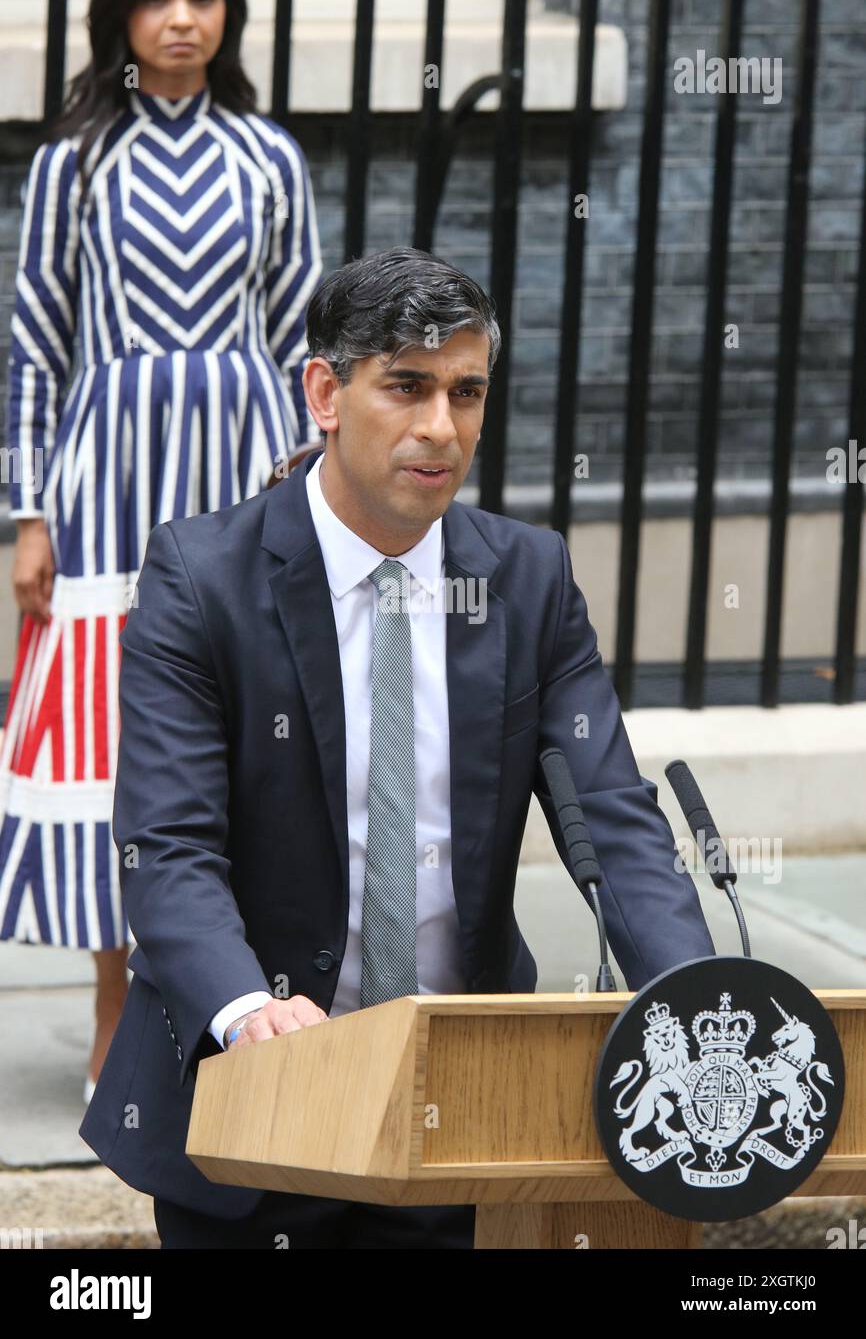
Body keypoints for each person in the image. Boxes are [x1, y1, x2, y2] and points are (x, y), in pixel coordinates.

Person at [79, 245, 716, 1248]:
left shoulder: (529, 579)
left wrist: (696, 999)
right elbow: (168, 849)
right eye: (407, 387)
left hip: (464, 1120)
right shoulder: (199, 578)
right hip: (256, 1110)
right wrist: (251, 1010)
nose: (439, 427)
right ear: (325, 392)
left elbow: (616, 821)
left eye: (465, 393)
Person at [0, 0, 322, 1104]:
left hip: (239, 459)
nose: (180, 19)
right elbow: (35, 339)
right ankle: (113, 1003)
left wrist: (306, 489)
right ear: (120, 15)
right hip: (106, 471)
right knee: (107, 733)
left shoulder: (269, 156)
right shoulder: (72, 160)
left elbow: (306, 349)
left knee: (235, 715)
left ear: (226, 17)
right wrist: (27, 512)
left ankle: (217, 995)